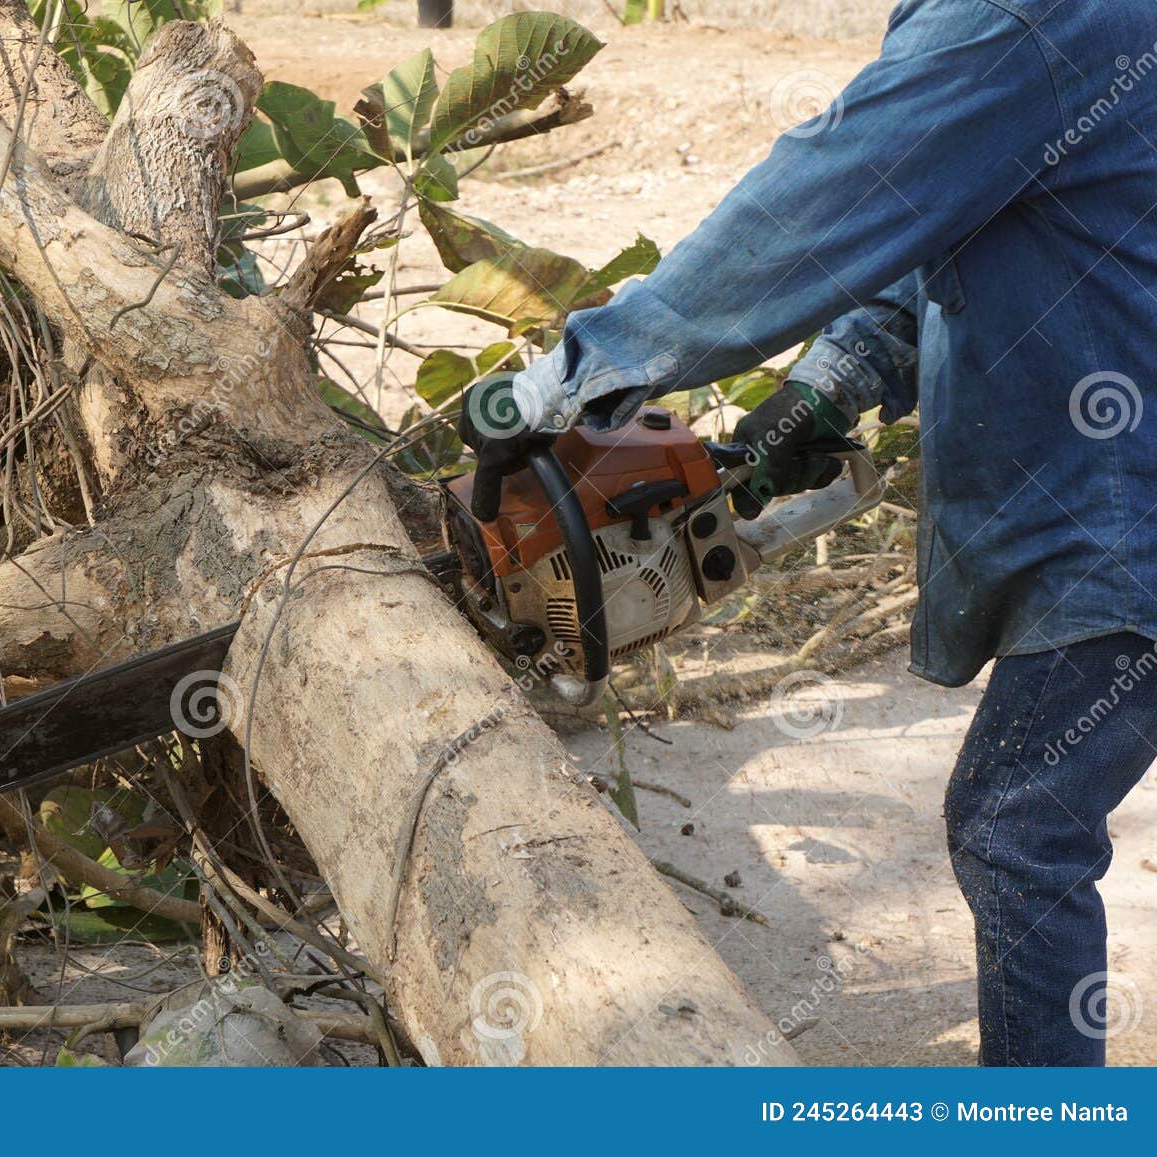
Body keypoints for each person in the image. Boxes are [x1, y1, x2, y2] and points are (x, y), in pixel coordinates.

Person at [460, 0, 1157, 1066]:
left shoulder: (1025, 15)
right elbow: (941, 211)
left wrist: (580, 368)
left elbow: (824, 199)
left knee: (1017, 822)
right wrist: (827, 389)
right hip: (1103, 473)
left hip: (1124, 498)